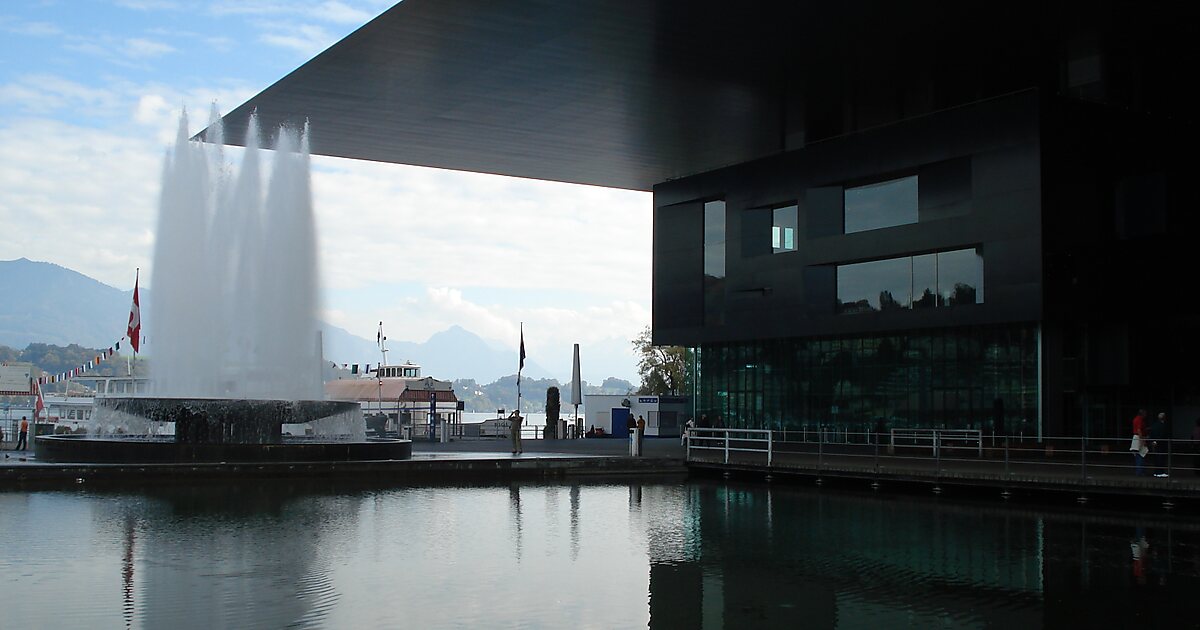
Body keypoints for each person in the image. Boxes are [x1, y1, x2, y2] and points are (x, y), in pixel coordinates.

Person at [1149, 412, 1169, 477]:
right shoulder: (1164, 426)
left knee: (1156, 458)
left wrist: (1153, 441)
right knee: (1161, 458)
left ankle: (1156, 472)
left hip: (1154, 443)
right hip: (1161, 444)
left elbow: (1151, 433)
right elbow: (1163, 435)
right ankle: (1160, 472)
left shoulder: (1154, 425)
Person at [1130, 409, 1148, 476]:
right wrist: (1143, 440)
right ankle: (1140, 471)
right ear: (1142, 414)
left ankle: (1139, 471)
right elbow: (1139, 430)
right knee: (1141, 454)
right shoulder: (1139, 420)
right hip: (1139, 437)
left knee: (1138, 455)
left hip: (1136, 437)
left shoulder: (1135, 419)